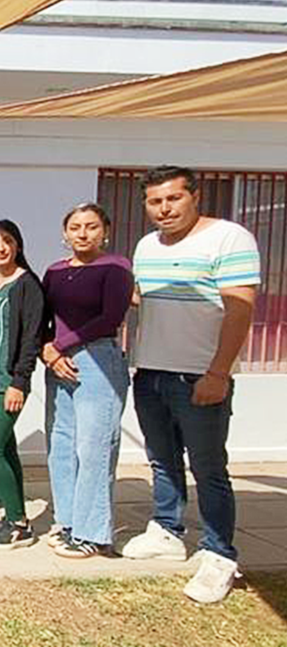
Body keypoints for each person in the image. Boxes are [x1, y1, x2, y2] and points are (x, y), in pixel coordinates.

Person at [122, 166, 260, 604]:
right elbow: (144, 300)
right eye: (155, 201)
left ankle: (219, 555)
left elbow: (239, 310)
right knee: (161, 461)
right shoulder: (146, 246)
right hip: (150, 372)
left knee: (209, 469)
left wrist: (218, 372)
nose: (164, 209)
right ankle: (166, 529)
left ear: (194, 197)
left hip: (199, 375)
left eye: (173, 199)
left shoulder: (229, 238)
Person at [41, 204, 134, 559]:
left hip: (98, 361)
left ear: (104, 231)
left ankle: (92, 532)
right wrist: (47, 351)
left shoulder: (115, 267)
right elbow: (44, 318)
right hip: (58, 363)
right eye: (75, 227)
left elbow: (110, 316)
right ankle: (67, 522)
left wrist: (59, 346)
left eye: (91, 227)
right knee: (61, 445)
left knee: (94, 449)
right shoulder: (55, 271)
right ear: (65, 234)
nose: (83, 233)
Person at [0, 220, 44, 550]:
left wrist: (20, 381)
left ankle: (18, 524)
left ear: (17, 245)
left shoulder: (27, 284)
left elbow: (31, 337)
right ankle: (14, 515)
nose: (0, 247)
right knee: (6, 450)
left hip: (8, 382)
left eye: (6, 241)